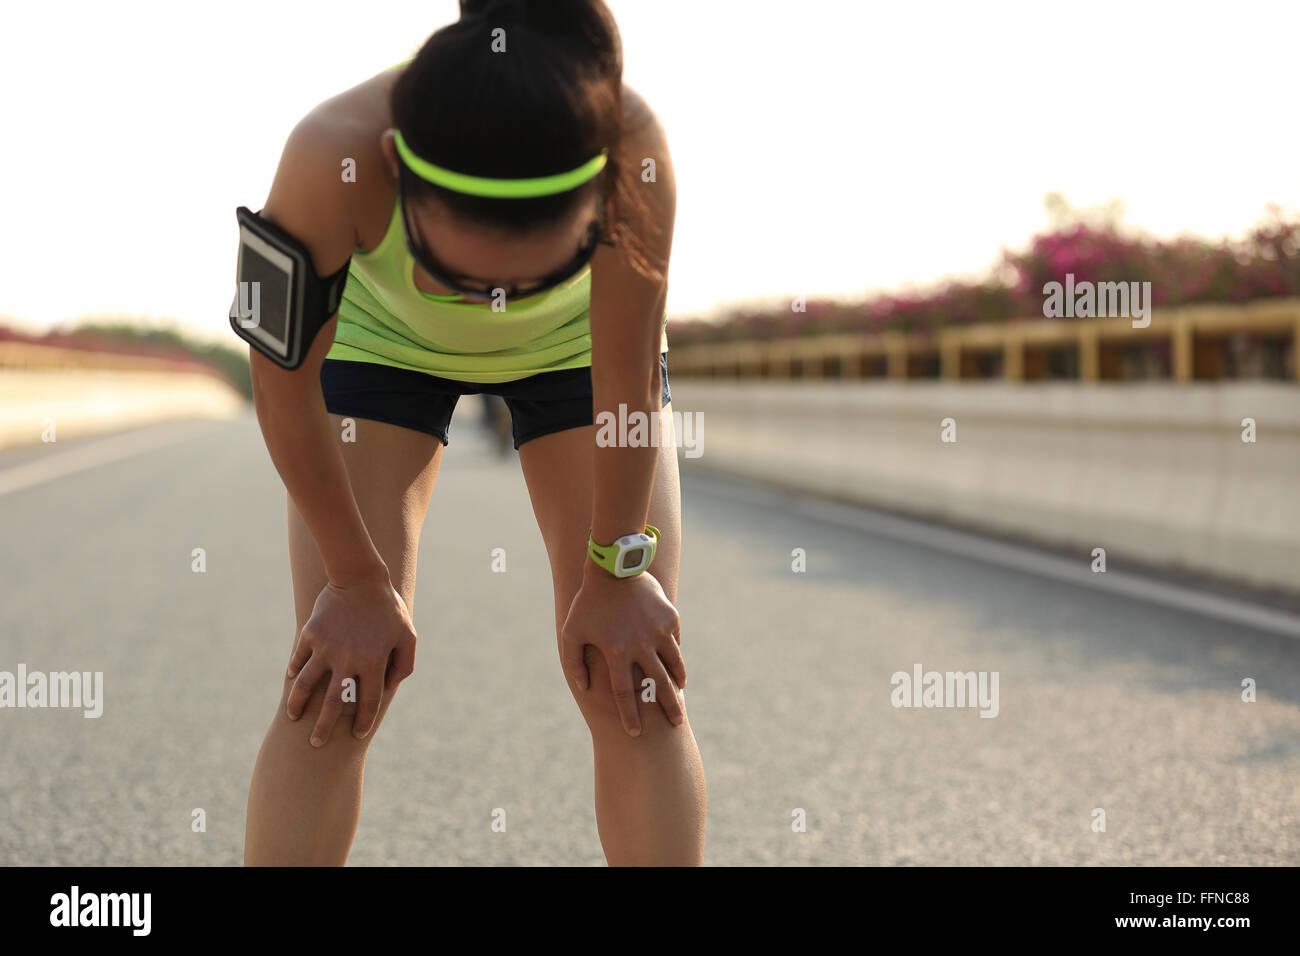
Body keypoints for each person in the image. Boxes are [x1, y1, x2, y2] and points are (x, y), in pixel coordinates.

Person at [241, 0, 705, 865]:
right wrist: (353, 579)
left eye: (532, 273)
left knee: (629, 677)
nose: (482, 300)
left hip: (581, 352)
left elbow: (630, 384)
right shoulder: (328, 153)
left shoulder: (634, 153)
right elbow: (281, 378)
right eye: (448, 270)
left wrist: (617, 567)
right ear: (394, 169)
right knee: (339, 683)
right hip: (384, 339)